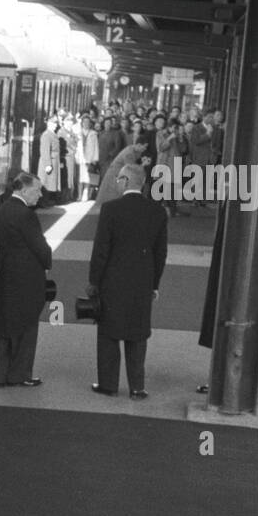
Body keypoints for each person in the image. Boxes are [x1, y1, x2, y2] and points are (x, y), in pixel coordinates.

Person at [87, 163, 169, 400]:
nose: (116, 182)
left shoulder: (111, 210)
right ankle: (137, 388)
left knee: (108, 334)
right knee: (138, 334)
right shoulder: (157, 212)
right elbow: (160, 253)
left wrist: (94, 281)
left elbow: (101, 249)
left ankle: (108, 385)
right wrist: (154, 284)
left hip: (112, 280)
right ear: (142, 183)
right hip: (142, 281)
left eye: (119, 179)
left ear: (125, 181)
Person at [0, 172, 50, 388]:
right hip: (27, 278)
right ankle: (21, 374)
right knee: (27, 327)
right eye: (36, 190)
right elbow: (40, 247)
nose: (40, 195)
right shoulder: (26, 214)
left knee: (6, 327)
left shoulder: (1, 210)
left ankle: (2, 374)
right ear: (23, 189)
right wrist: (47, 262)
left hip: (5, 274)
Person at [37, 118, 63, 205]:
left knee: (50, 182)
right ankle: (43, 202)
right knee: (46, 182)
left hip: (54, 161)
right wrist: (48, 164)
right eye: (53, 123)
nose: (55, 125)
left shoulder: (52, 134)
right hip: (49, 161)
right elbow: (45, 151)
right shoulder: (46, 135)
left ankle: (46, 201)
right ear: (48, 124)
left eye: (56, 123)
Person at [76, 116, 99, 204]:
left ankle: (85, 194)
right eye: (84, 122)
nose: (86, 123)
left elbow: (96, 147)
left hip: (89, 157)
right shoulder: (78, 132)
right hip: (81, 157)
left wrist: (95, 158)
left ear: (90, 123)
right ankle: (79, 195)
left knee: (88, 177)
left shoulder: (93, 133)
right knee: (80, 177)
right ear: (82, 123)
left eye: (88, 122)